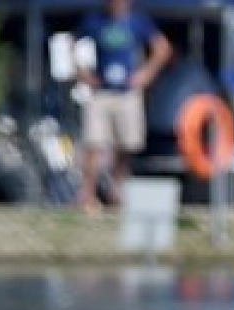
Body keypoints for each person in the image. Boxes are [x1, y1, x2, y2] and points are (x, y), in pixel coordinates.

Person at [75, 0, 172, 213]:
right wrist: (83, 74)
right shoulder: (94, 21)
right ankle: (88, 193)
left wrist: (147, 74)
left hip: (127, 92)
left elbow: (162, 48)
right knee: (94, 142)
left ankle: (117, 191)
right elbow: (72, 45)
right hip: (101, 92)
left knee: (126, 144)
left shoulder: (138, 21)